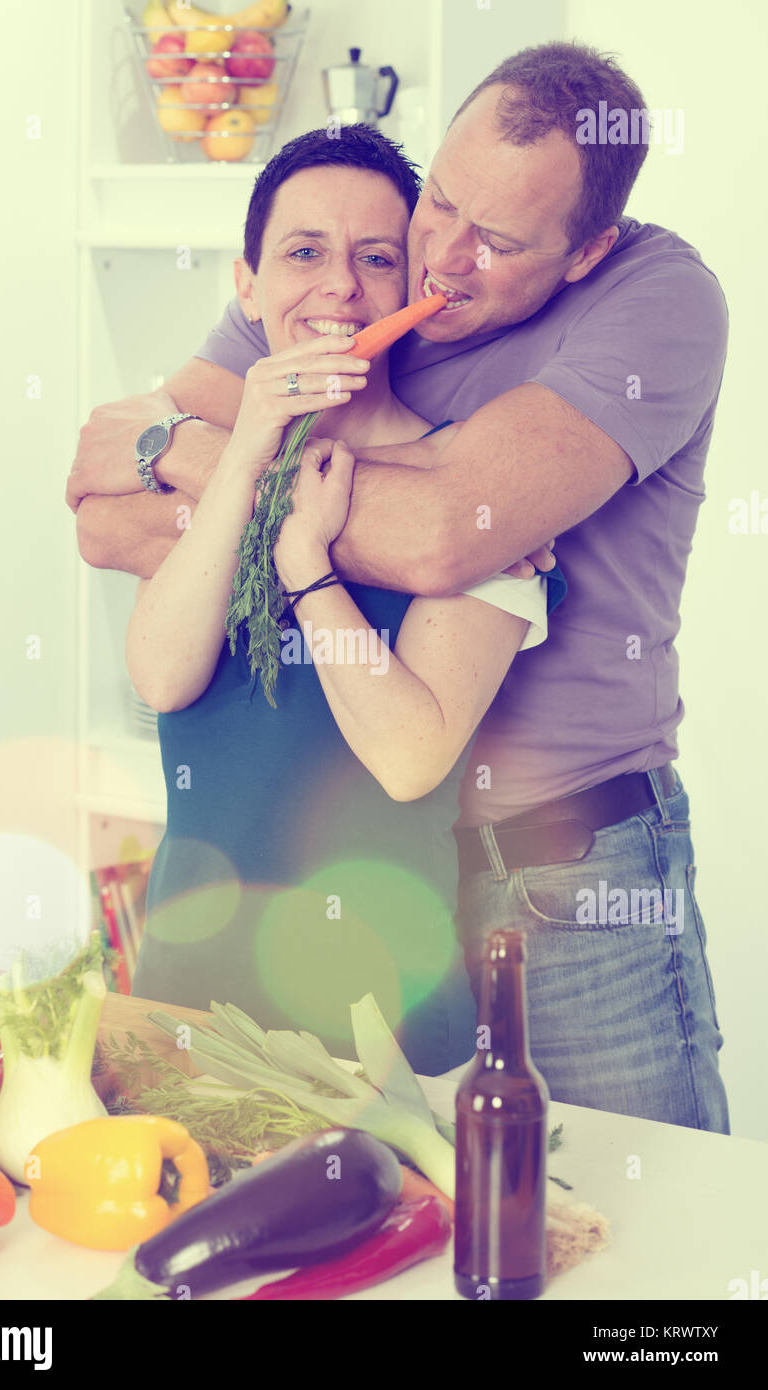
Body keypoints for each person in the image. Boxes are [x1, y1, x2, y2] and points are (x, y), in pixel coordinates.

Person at [69, 41, 730, 1131]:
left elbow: (438, 539)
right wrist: (227, 462)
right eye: (442, 207)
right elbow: (112, 493)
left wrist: (246, 476)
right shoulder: (348, 274)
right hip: (388, 869)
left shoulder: (655, 300)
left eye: (499, 240)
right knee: (432, 1223)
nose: (441, 263)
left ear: (584, 252)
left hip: (565, 876)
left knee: (638, 1227)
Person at [123, 125, 567, 1076]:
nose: (340, 288)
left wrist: (305, 565)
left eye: (376, 258)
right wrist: (246, 451)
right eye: (304, 254)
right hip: (179, 1013)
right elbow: (162, 675)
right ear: (247, 286)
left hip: (379, 1040)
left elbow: (409, 758)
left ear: (414, 288)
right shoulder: (214, 465)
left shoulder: (467, 497)